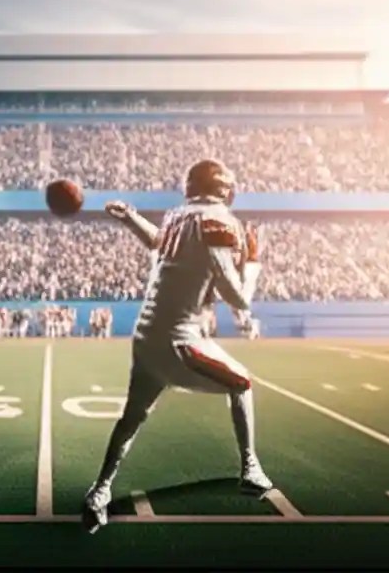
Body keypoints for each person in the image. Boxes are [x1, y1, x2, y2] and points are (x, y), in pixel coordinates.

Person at [80, 159, 274, 535]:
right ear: (224, 188)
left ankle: (99, 490)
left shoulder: (177, 216)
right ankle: (250, 467)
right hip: (180, 342)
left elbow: (159, 240)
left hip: (145, 337)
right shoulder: (218, 221)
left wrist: (131, 218)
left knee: (131, 418)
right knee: (242, 383)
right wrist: (254, 265)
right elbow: (236, 296)